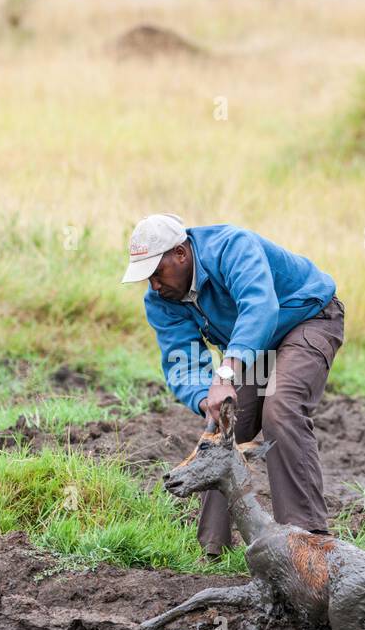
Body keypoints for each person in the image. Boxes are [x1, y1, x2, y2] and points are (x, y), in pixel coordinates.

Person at [121, 214, 345, 559]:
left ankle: (306, 540)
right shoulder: (162, 300)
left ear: (180, 254)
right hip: (254, 346)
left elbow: (260, 307)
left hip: (307, 319)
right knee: (224, 423)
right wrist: (204, 400)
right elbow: (181, 357)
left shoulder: (231, 247)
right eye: (145, 278)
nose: (153, 285)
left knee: (280, 407)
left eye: (156, 273)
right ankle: (213, 550)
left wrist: (225, 375)